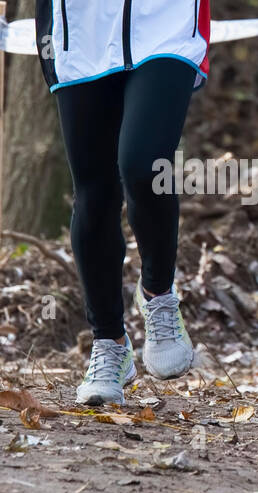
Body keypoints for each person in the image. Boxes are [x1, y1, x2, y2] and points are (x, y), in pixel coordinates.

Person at [37, 1, 209, 405]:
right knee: (94, 191)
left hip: (165, 19)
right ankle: (110, 344)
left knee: (146, 167)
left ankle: (158, 295)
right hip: (79, 28)